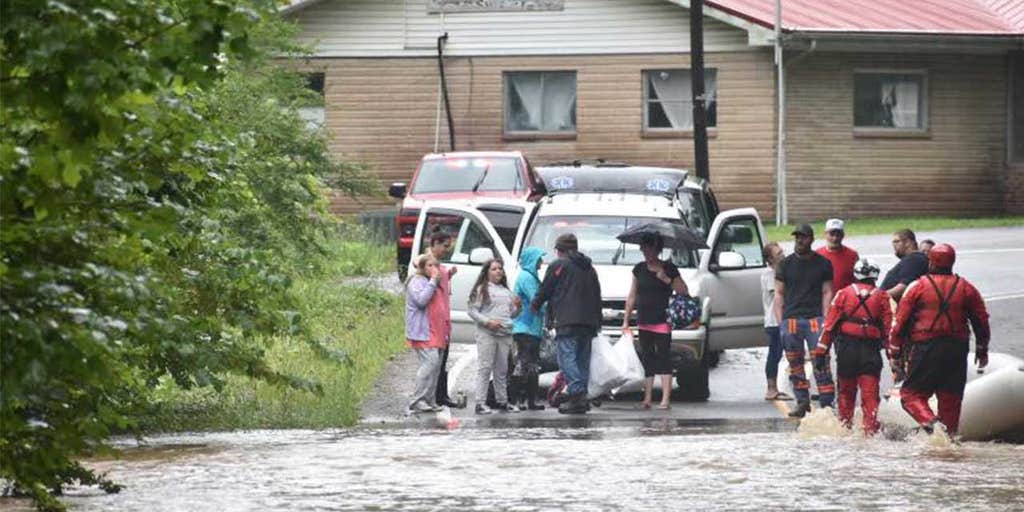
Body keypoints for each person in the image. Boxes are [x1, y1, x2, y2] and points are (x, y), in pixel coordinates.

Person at [889, 244, 990, 436]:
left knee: (910, 396)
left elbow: (900, 323)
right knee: (950, 402)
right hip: (956, 350)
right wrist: (982, 349)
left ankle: (933, 426)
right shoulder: (967, 288)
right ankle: (948, 443)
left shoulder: (917, 287)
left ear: (930, 262)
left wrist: (895, 352)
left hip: (926, 348)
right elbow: (981, 320)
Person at [813, 258, 892, 434]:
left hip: (847, 351)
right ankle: (870, 433)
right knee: (870, 396)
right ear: (875, 275)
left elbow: (829, 326)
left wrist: (820, 353)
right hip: (870, 352)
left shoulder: (843, 294)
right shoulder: (882, 296)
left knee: (846, 395)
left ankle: (845, 430)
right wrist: (894, 357)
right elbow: (888, 331)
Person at [532, 233, 602, 415]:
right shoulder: (589, 268)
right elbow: (597, 294)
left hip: (567, 319)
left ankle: (577, 393)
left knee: (567, 358)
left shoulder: (559, 266)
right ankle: (581, 397)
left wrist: (535, 305)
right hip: (589, 322)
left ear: (559, 250)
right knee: (582, 359)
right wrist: (597, 320)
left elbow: (545, 289)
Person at [622, 233, 688, 410]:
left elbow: (683, 291)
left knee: (664, 357)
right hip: (644, 319)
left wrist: (666, 279)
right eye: (643, 249)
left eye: (649, 249)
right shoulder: (639, 269)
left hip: (662, 320)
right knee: (647, 357)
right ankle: (648, 397)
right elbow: (632, 295)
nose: (646, 253)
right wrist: (626, 320)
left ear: (657, 249)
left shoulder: (669, 268)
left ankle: (665, 399)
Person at [775, 223, 835, 418]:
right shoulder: (785, 264)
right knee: (795, 362)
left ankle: (827, 402)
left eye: (803, 237)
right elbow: (779, 294)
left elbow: (827, 291)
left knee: (821, 360)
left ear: (811, 239)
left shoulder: (823, 264)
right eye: (797, 237)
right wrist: (780, 323)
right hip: (791, 318)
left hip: (815, 319)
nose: (799, 240)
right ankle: (802, 401)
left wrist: (826, 319)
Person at [468, 259, 522, 414]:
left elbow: (512, 314)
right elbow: (472, 311)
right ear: (487, 272)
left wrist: (519, 307)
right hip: (487, 333)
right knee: (485, 367)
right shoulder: (481, 289)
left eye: (500, 268)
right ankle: (480, 402)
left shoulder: (507, 292)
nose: (498, 271)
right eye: (494, 269)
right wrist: (487, 322)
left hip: (505, 333)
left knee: (502, 369)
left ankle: (502, 401)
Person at [426, 228, 463, 409]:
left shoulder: (441, 268)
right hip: (433, 322)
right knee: (433, 362)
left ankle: (441, 395)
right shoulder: (426, 265)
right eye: (444, 246)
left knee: (443, 360)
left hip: (444, 321)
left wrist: (449, 275)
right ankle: (430, 397)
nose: (447, 250)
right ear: (434, 244)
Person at [405, 254, 444, 414]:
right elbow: (421, 301)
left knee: (435, 366)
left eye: (435, 266)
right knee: (430, 363)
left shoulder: (431, 282)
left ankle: (429, 399)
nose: (433, 269)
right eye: (429, 266)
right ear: (421, 267)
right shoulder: (416, 282)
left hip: (434, 329)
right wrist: (433, 281)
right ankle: (417, 399)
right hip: (421, 331)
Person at [511, 247, 547, 411]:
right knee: (523, 363)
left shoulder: (531, 277)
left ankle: (531, 400)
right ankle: (517, 399)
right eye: (539, 259)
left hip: (532, 328)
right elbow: (537, 300)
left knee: (532, 365)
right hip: (524, 327)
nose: (541, 262)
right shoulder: (526, 277)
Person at [761, 242, 791, 401]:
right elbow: (781, 292)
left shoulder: (783, 272)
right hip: (774, 321)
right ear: (770, 260)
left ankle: (782, 386)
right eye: (779, 254)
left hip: (785, 319)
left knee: (789, 352)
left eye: (782, 252)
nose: (783, 255)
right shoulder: (768, 274)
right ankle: (771, 388)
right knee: (775, 354)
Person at [880, 229, 928, 303]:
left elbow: (903, 288)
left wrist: (878, 297)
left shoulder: (914, 259)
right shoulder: (912, 259)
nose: (893, 245)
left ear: (908, 243)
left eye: (897, 241)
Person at [815, 218, 859, 292]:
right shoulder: (817, 256)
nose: (835, 238)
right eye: (832, 234)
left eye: (838, 234)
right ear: (825, 234)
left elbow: (858, 281)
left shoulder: (853, 255)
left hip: (846, 301)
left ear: (843, 235)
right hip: (823, 300)